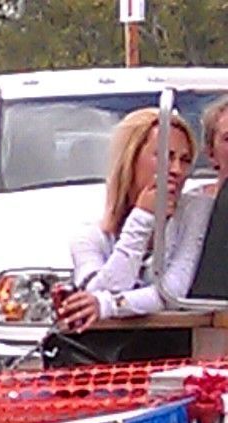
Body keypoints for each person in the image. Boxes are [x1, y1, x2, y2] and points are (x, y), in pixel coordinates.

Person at [55, 107, 200, 344]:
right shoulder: (88, 237)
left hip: (178, 349)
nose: (176, 170)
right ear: (131, 158)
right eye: (165, 156)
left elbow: (173, 292)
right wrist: (142, 218)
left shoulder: (194, 213)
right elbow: (97, 292)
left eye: (184, 161)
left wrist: (110, 305)